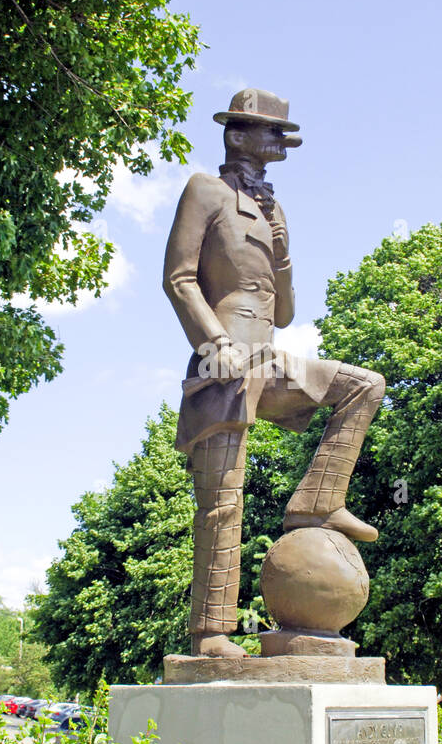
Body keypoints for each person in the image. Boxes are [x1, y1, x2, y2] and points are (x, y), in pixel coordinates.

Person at [163, 88, 385, 658]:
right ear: (237, 136)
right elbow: (179, 279)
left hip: (267, 357)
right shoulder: (205, 190)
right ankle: (211, 634)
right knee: (222, 502)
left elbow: (284, 313)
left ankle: (316, 501)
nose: (280, 144)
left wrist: (282, 256)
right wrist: (215, 343)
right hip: (223, 363)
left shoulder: (272, 210)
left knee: (363, 385)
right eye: (270, 133)